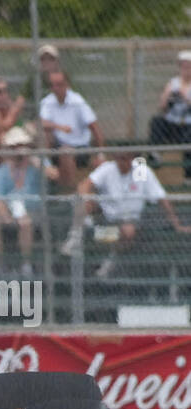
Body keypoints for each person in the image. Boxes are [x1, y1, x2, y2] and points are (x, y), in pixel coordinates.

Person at [64, 150, 191, 277]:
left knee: (128, 230)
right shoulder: (107, 169)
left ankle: (109, 261)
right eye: (120, 158)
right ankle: (76, 236)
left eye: (127, 158)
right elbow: (84, 185)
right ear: (115, 158)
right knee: (81, 200)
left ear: (133, 159)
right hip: (105, 219)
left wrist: (177, 225)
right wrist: (86, 197)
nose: (124, 161)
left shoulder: (142, 171)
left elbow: (161, 198)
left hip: (129, 223)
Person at [0, 127, 43, 275]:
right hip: (9, 208)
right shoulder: (4, 169)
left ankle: (26, 264)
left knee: (25, 222)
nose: (17, 150)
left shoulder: (38, 163)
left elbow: (55, 176)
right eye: (14, 147)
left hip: (32, 209)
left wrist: (34, 160)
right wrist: (5, 216)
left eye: (20, 146)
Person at [39, 71, 102, 192]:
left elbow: (94, 127)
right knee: (44, 133)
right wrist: (59, 127)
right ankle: (47, 165)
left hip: (80, 148)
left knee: (66, 152)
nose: (56, 88)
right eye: (52, 85)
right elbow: (42, 123)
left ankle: (67, 192)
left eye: (59, 84)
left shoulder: (77, 101)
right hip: (57, 145)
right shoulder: (48, 101)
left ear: (66, 84)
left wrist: (100, 154)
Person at [149, 51, 191, 179]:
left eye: (189, 66)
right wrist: (167, 97)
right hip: (172, 124)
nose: (186, 69)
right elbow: (162, 107)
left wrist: (185, 97)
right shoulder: (173, 83)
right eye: (183, 66)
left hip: (188, 127)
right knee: (156, 121)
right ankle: (156, 154)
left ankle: (188, 178)